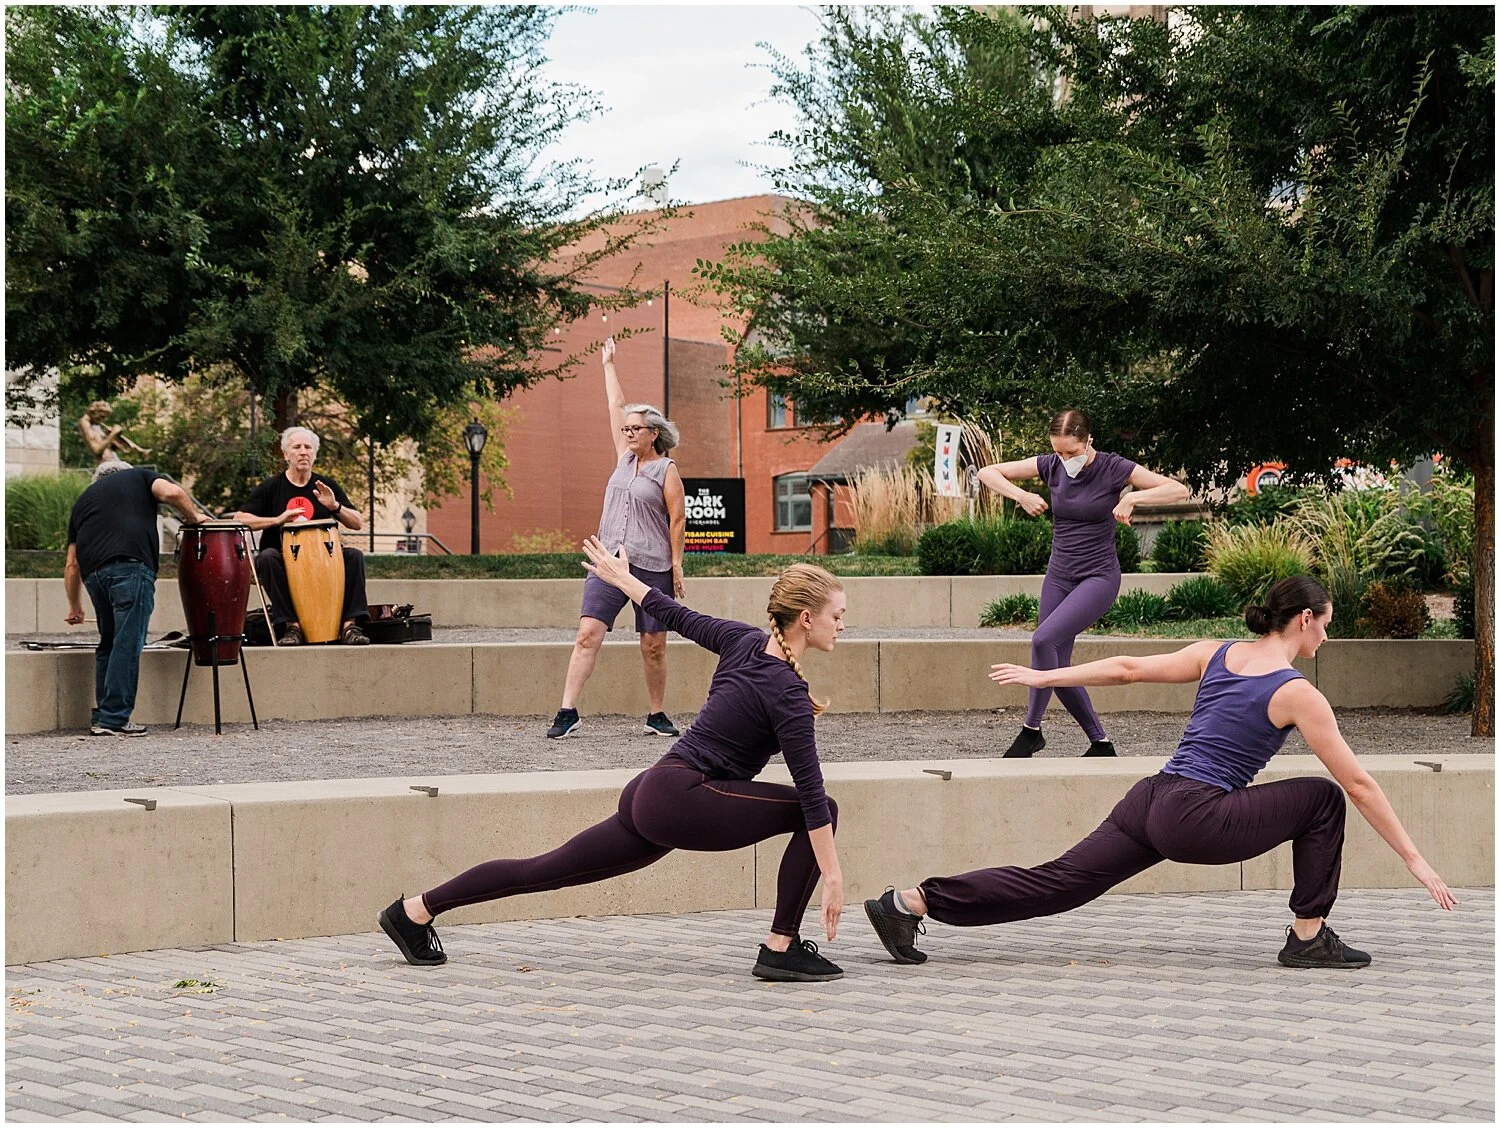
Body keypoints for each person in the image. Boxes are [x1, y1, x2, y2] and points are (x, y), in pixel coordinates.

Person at [863, 576, 1457, 970]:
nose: (1326, 635)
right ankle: (1307, 938)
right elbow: (1358, 785)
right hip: (1198, 816)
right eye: (1325, 623)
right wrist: (1415, 859)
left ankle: (909, 902)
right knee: (1323, 799)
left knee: (1058, 883)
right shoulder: (1298, 693)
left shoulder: (1215, 653)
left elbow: (1125, 668)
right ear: (1304, 619)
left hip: (1150, 799)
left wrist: (1045, 677)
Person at [380, 537, 848, 982]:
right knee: (823, 809)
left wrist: (624, 580)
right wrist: (830, 875)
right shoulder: (786, 690)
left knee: (543, 869)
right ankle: (780, 947)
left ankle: (413, 912)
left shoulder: (742, 641)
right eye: (838, 615)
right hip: (683, 799)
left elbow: (673, 613)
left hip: (656, 789)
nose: (842, 625)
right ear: (806, 618)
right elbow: (809, 792)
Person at [977, 409, 1189, 757]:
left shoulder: (1113, 467)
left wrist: (1133, 496)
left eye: (1071, 452)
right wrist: (1021, 495)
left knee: (1043, 638)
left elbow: (1177, 489)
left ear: (1089, 441)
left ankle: (1032, 730)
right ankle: (1096, 742)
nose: (1064, 459)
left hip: (1098, 577)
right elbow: (989, 472)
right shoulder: (1050, 465)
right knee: (1049, 654)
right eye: (1058, 451)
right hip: (1059, 574)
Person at [547, 336, 688, 739]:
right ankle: (567, 711)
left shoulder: (667, 471)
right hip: (609, 562)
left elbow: (677, 521)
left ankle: (656, 715)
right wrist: (609, 365)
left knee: (653, 645)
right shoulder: (623, 458)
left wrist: (676, 565)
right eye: (625, 428)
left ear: (653, 433)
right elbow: (615, 405)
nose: (627, 432)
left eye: (635, 428)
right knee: (587, 633)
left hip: (652, 566)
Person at [64, 461, 209, 736]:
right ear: (125, 473)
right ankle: (114, 719)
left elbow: (72, 564)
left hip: (95, 576)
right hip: (131, 569)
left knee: (109, 643)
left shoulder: (82, 502)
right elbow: (174, 494)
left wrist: (75, 606)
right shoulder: (139, 477)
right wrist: (194, 518)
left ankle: (104, 716)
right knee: (128, 642)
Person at [231, 426, 371, 645]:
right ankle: (291, 627)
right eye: (297, 447)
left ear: (314, 454)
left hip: (325, 560)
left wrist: (335, 506)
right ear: (287, 454)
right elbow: (239, 519)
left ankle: (350, 626)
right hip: (283, 560)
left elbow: (357, 523)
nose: (303, 452)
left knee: (354, 556)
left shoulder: (326, 486)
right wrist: (276, 520)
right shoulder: (271, 487)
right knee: (266, 558)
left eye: (308, 447)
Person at [77, 400, 151, 464]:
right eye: (102, 417)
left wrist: (116, 440)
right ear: (94, 412)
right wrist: (113, 434)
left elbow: (110, 447)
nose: (103, 420)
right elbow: (96, 450)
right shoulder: (84, 423)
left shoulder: (96, 424)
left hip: (113, 460)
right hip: (106, 465)